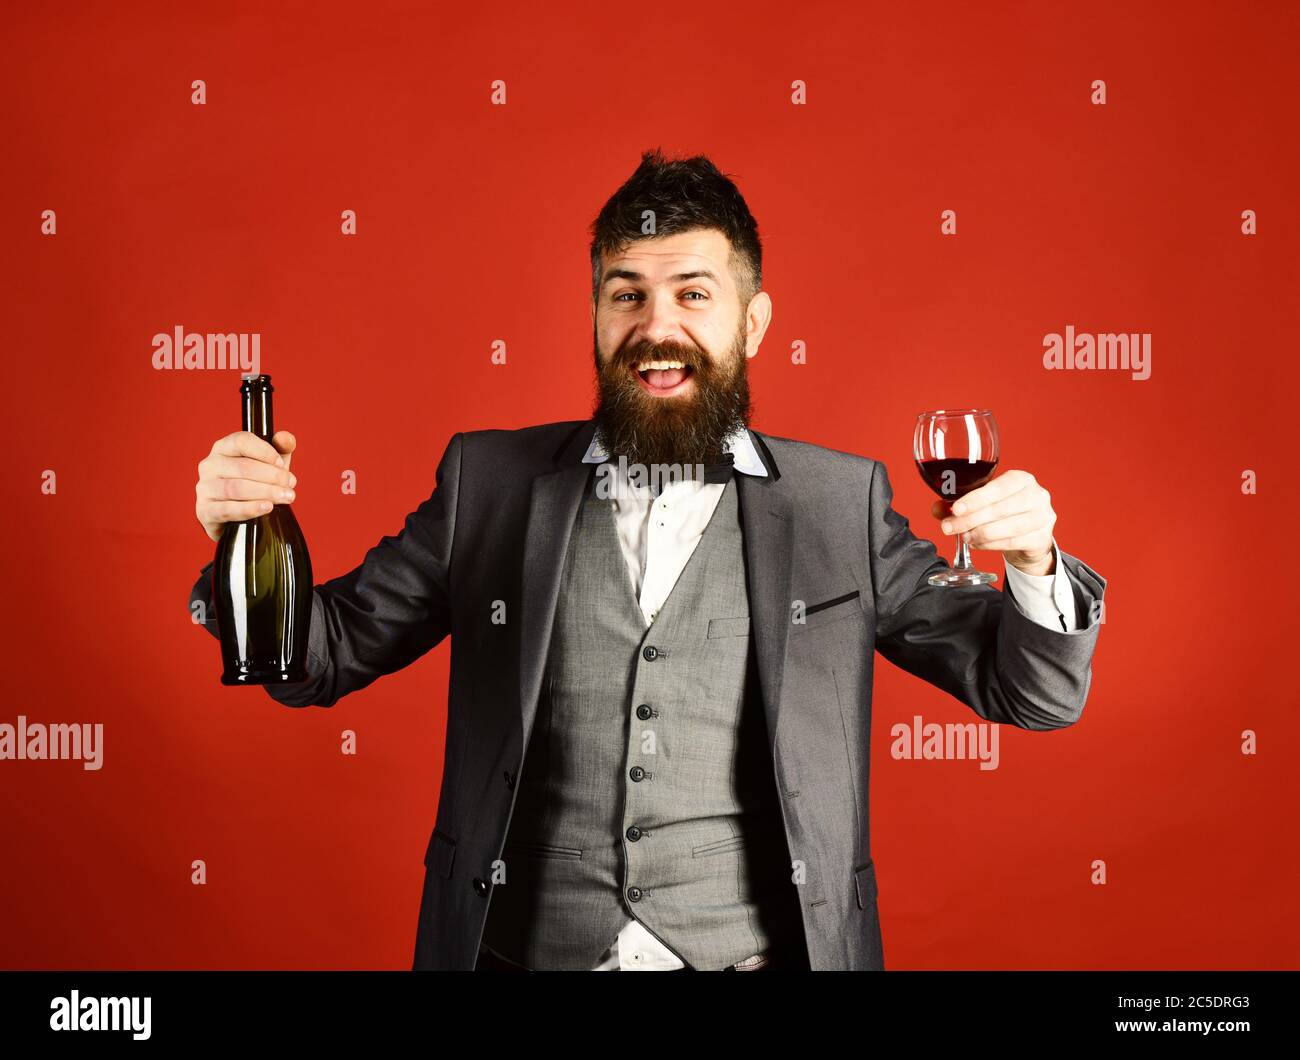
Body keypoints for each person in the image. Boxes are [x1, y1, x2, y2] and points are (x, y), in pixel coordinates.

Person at [188, 148, 1107, 971]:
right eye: (626, 293)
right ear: (595, 313)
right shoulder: (491, 483)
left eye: (693, 294)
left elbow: (1031, 694)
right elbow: (318, 658)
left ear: (752, 322)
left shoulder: (839, 503)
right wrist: (237, 536)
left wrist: (1034, 559)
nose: (655, 326)